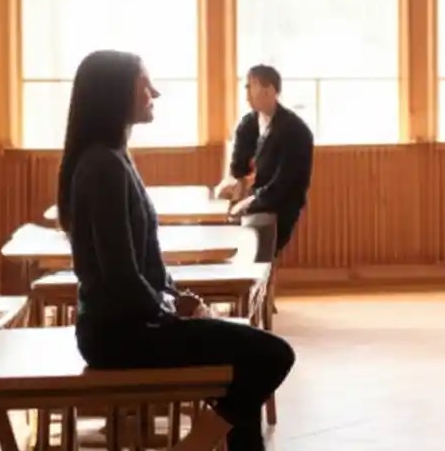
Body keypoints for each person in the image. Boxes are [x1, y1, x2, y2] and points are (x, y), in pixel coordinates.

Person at [59, 50, 294, 451]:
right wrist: (166, 310)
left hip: (130, 323)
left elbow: (144, 261)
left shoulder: (115, 158)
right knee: (272, 354)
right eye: (143, 85)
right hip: (117, 334)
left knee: (246, 363)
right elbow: (119, 275)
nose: (155, 93)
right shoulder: (101, 166)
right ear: (115, 94)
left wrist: (174, 296)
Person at [215, 65, 314, 259]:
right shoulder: (248, 124)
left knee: (255, 241)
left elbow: (285, 184)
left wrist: (249, 203)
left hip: (279, 206)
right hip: (252, 198)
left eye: (251, 87)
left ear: (269, 90)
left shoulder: (295, 131)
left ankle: (255, 284)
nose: (246, 94)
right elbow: (238, 168)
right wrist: (233, 184)